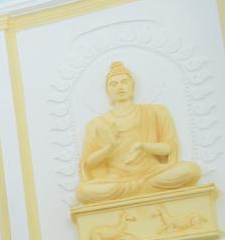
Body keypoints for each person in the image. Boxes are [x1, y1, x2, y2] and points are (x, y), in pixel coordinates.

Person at [75, 61, 200, 204]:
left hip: (152, 172)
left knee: (191, 170)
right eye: (113, 84)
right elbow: (88, 163)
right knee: (83, 192)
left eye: (124, 82)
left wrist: (143, 146)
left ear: (132, 86)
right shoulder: (96, 124)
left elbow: (168, 147)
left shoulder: (155, 112)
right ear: (107, 91)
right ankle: (146, 189)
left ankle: (136, 191)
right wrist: (109, 147)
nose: (120, 87)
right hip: (117, 180)